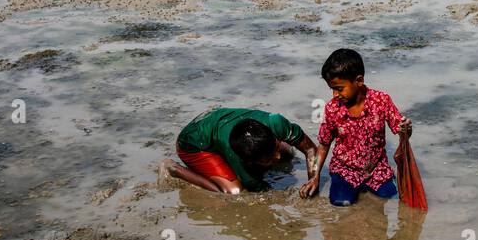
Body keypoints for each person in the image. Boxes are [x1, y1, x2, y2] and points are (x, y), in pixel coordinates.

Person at [317, 48, 413, 207]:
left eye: (339, 88)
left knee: (391, 196)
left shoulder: (381, 101)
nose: (335, 95)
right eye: (332, 89)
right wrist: (315, 177)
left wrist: (406, 129)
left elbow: (401, 131)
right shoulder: (333, 108)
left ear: (359, 80)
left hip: (377, 169)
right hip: (345, 170)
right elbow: (323, 144)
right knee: (342, 202)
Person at [165, 107, 320, 196]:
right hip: (193, 143)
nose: (277, 156)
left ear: (272, 135)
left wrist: (313, 180)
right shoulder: (240, 162)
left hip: (218, 124)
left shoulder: (276, 122)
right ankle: (174, 169)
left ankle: (269, 153)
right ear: (248, 161)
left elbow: (311, 150)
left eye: (275, 147)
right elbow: (260, 189)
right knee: (234, 191)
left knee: (287, 154)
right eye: (268, 158)